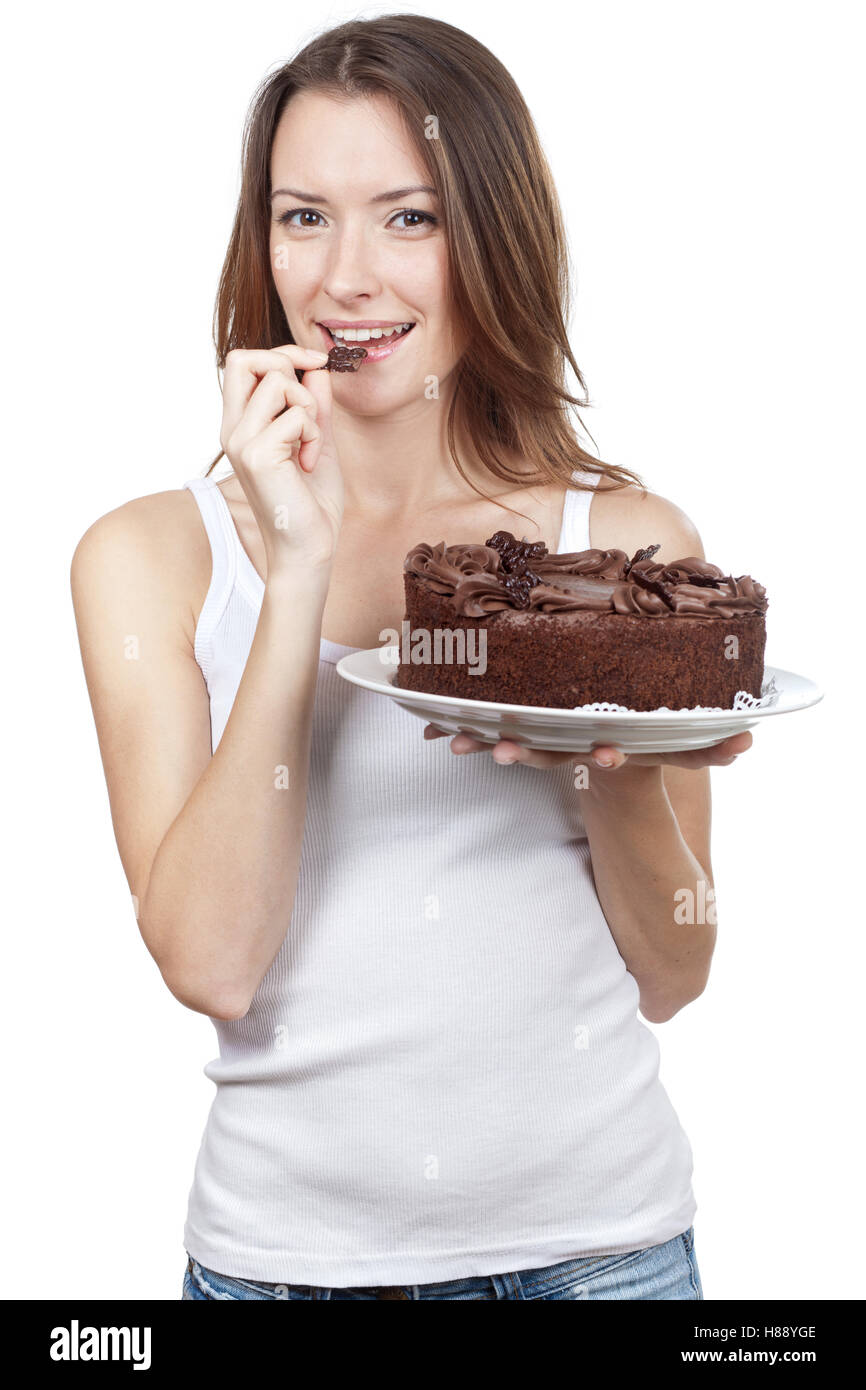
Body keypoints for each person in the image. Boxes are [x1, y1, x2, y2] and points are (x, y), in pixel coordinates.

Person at [71, 14, 747, 1302]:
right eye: (304, 217)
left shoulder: (625, 550)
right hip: (277, 1269)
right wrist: (299, 568)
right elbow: (211, 963)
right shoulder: (149, 558)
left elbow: (677, 971)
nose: (346, 282)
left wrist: (612, 759)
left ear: (491, 238)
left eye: (410, 218)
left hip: (603, 1264)